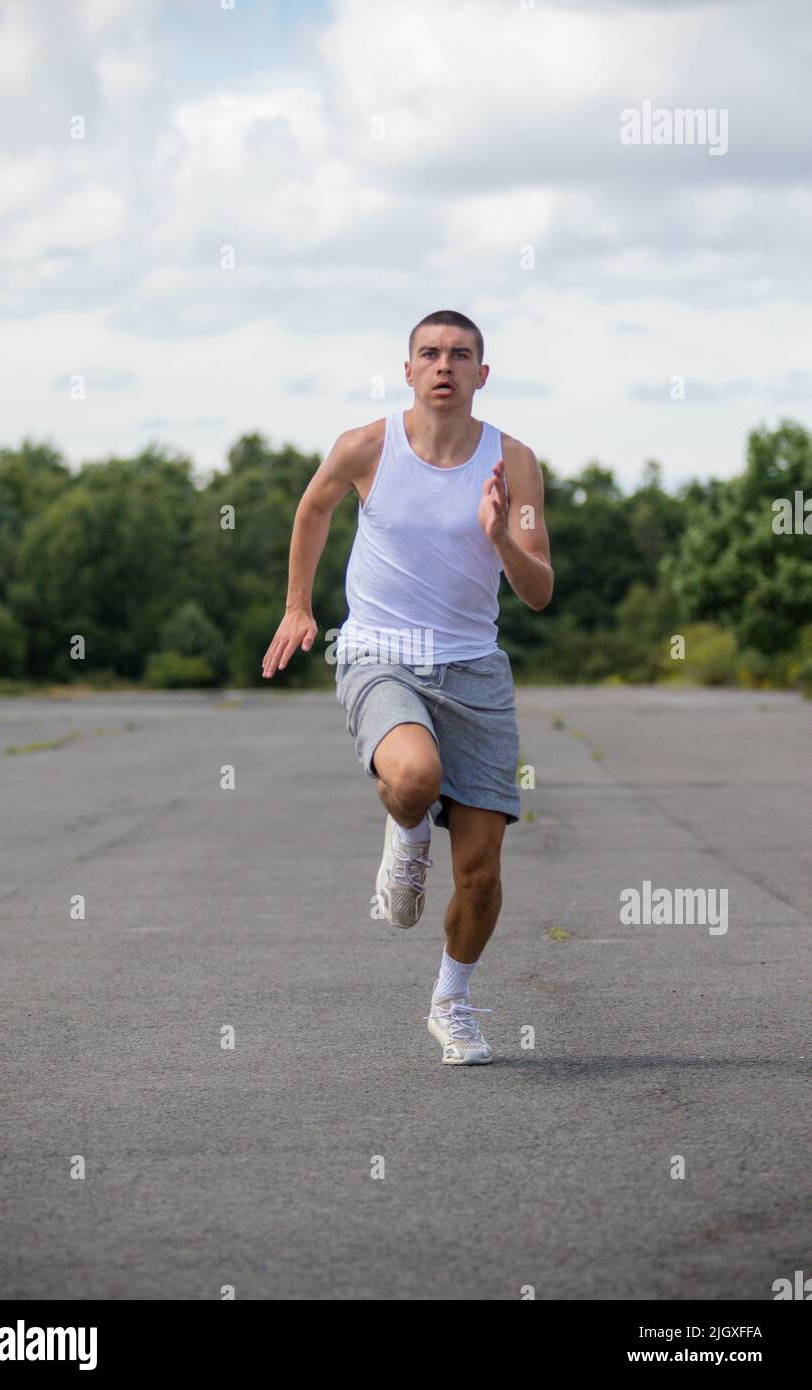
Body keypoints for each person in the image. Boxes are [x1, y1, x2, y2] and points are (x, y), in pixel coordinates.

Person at [262, 310, 553, 1063]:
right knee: (415, 777)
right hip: (379, 653)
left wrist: (497, 538)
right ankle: (408, 824)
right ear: (409, 370)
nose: (444, 366)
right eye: (430, 353)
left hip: (474, 669)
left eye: (461, 355)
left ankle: (451, 1002)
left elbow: (540, 589)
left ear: (482, 374)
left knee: (482, 875)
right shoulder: (367, 447)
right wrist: (299, 605)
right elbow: (313, 508)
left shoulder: (513, 463)